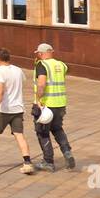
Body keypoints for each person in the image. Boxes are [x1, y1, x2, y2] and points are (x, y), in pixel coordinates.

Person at [32, 43, 76, 172]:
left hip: (47, 105)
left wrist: (39, 100)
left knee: (42, 132)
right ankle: (67, 152)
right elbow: (66, 71)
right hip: (60, 104)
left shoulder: (42, 65)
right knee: (57, 129)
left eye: (38, 54)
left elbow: (41, 83)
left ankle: (48, 161)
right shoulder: (61, 65)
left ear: (41, 53)